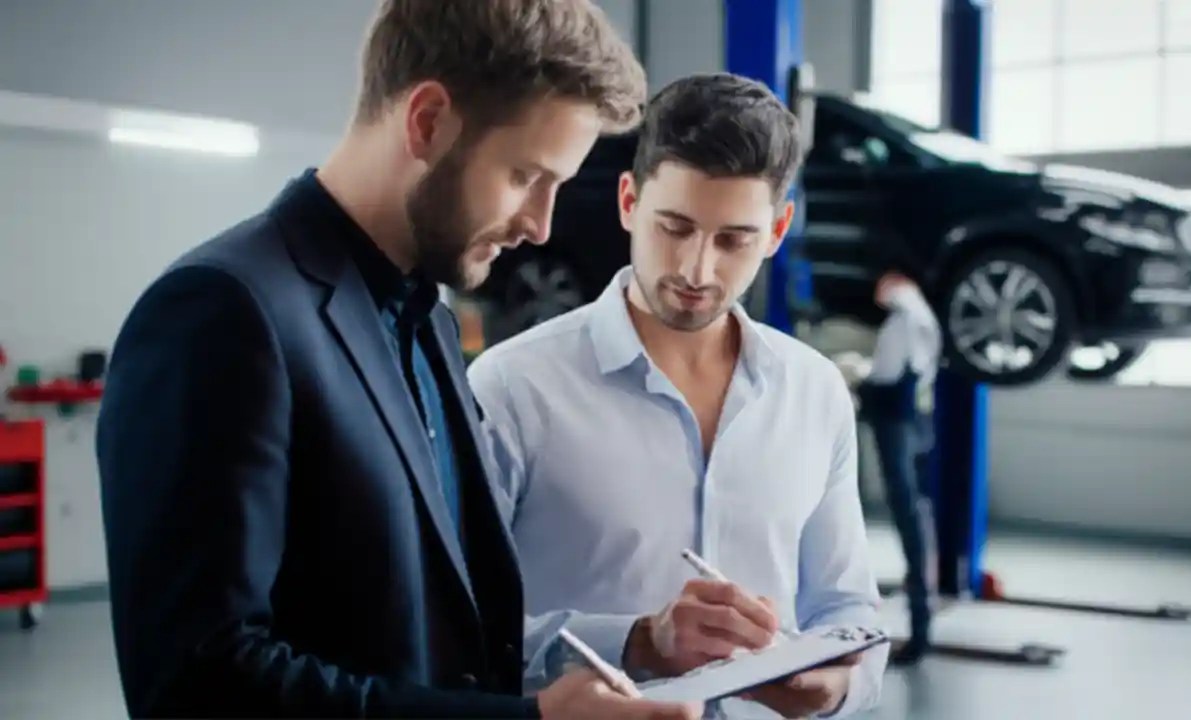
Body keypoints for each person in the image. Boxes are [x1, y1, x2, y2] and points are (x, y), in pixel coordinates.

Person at [95, 2, 701, 718]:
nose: (540, 225)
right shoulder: (221, 313)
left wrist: (635, 643)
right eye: (524, 176)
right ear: (427, 121)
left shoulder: (429, 322)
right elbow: (199, 686)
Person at [469, 73, 888, 719]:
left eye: (733, 241)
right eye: (675, 227)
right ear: (630, 202)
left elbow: (847, 606)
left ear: (777, 230)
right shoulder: (513, 389)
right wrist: (638, 643)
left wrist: (836, 689)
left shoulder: (815, 392)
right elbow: (452, 627)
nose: (697, 270)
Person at [855, 270, 942, 665]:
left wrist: (860, 384)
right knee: (916, 518)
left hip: (897, 429)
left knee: (908, 520)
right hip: (919, 425)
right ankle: (923, 622)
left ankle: (921, 628)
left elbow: (887, 377)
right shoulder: (924, 318)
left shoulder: (903, 318)